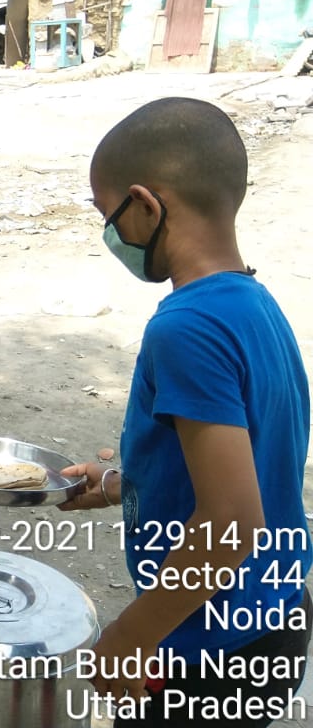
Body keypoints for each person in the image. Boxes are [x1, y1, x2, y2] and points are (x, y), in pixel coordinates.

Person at [59, 97, 311, 728]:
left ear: (146, 206)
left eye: (110, 217)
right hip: (275, 615)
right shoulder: (254, 303)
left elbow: (232, 520)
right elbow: (250, 465)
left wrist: (131, 635)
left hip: (211, 649)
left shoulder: (186, 328)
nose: (111, 236)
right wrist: (118, 486)